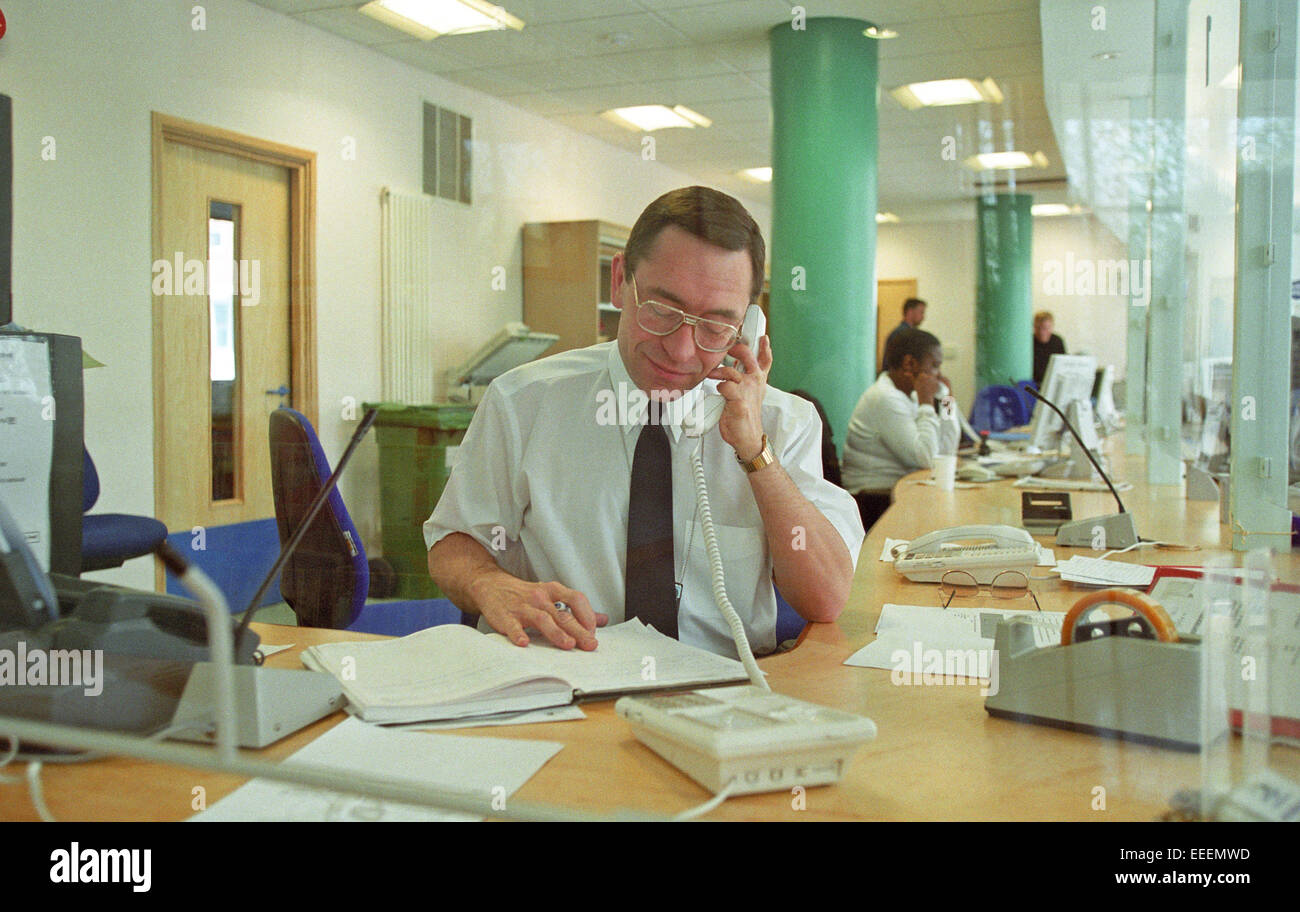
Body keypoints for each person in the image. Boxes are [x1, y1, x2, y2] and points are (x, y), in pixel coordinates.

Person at [424, 187, 864, 659]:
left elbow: (826, 598)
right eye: (661, 311)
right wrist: (488, 582)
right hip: (566, 679)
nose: (680, 350)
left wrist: (756, 452)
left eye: (715, 326)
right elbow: (455, 540)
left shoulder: (782, 422)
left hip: (726, 694)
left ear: (748, 328)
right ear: (619, 281)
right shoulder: (523, 401)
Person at [841, 328, 960, 530]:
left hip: (895, 489)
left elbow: (946, 452)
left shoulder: (908, 396)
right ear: (909, 364)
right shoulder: (885, 398)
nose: (938, 375)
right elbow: (926, 458)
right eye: (934, 366)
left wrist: (947, 399)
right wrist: (926, 402)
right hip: (872, 499)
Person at [1032, 310, 1067, 385]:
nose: (1042, 332)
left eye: (1045, 328)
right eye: (1038, 328)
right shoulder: (1029, 342)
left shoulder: (1057, 341)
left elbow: (1064, 364)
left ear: (1051, 327)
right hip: (1035, 383)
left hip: (1054, 382)